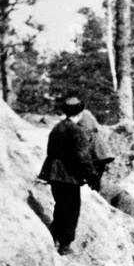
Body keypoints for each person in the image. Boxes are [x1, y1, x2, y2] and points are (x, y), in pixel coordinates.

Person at [38, 99, 98, 254]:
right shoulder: (77, 131)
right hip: (69, 176)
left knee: (60, 206)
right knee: (72, 209)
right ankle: (65, 245)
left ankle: (54, 236)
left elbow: (50, 151)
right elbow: (83, 157)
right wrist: (92, 176)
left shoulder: (57, 128)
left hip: (53, 173)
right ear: (79, 113)